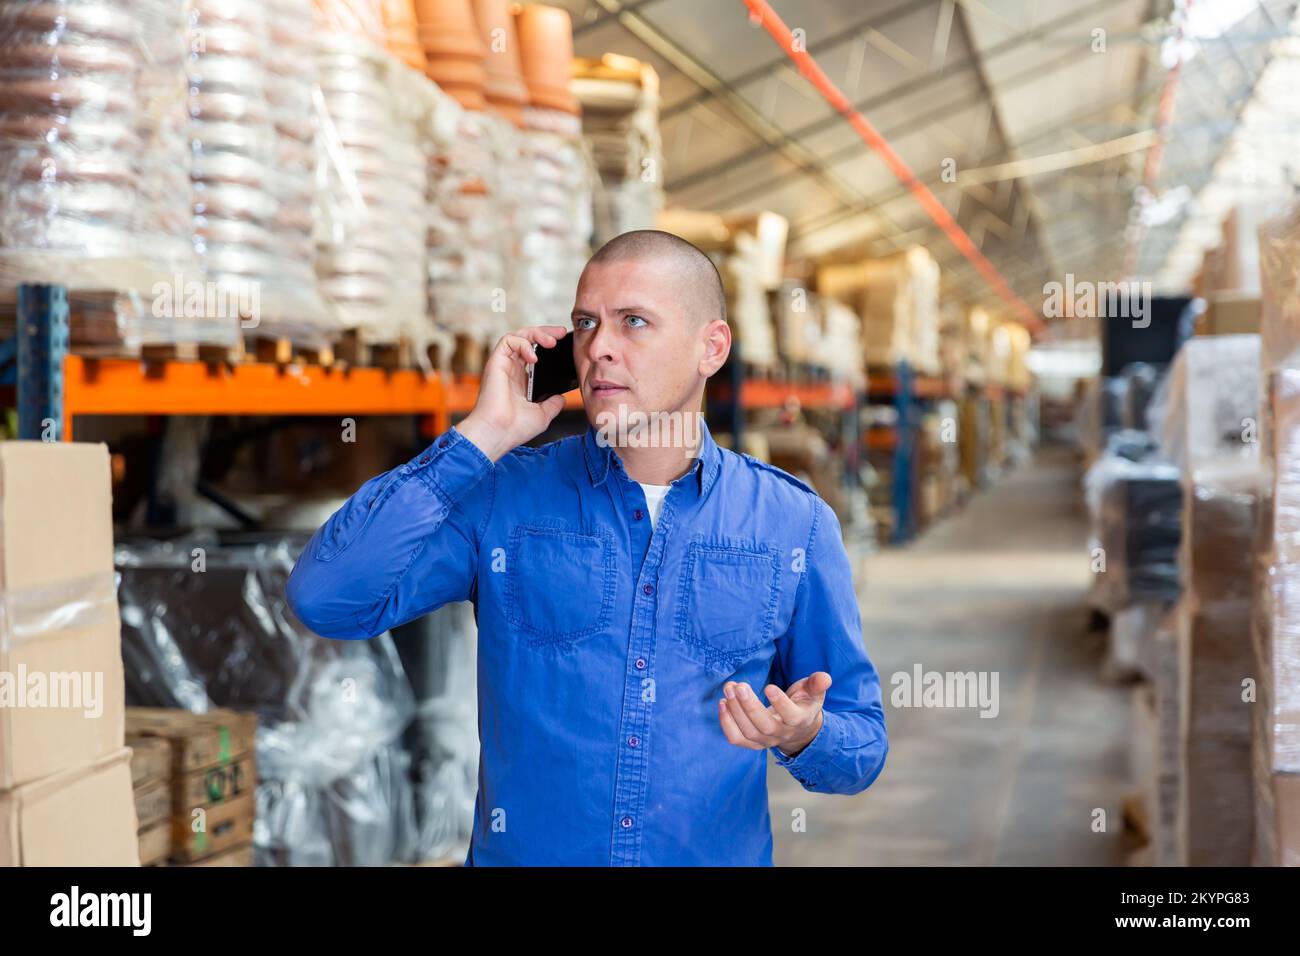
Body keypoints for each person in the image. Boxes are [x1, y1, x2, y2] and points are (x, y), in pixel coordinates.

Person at [286, 229, 888, 866]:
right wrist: (483, 434)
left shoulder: (793, 524)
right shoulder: (506, 499)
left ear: (710, 347)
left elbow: (862, 748)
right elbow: (327, 599)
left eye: (634, 322)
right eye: (585, 324)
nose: (599, 348)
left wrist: (806, 734)